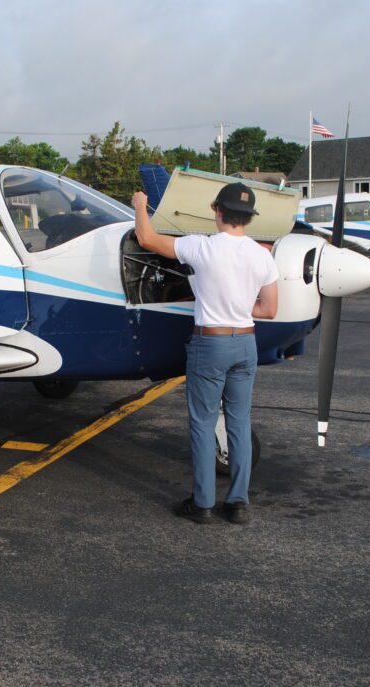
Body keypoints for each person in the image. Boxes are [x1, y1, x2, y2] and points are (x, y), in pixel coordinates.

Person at [132, 183, 278, 525]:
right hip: (245, 342)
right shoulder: (261, 254)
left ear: (218, 211)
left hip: (210, 343)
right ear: (248, 218)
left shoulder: (202, 247)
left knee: (203, 422)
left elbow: (147, 240)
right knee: (239, 423)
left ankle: (202, 504)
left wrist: (141, 205)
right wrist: (240, 306)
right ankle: (238, 503)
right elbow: (270, 309)